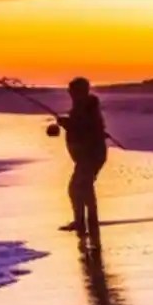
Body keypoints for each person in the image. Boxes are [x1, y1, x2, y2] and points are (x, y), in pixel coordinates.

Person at [56, 77, 109, 244]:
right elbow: (80, 125)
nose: (70, 94)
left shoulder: (88, 107)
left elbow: (85, 128)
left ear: (81, 91)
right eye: (69, 91)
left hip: (91, 155)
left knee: (77, 188)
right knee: (83, 188)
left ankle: (84, 223)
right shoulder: (82, 107)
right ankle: (86, 222)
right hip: (87, 155)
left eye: (72, 91)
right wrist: (67, 123)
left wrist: (67, 124)